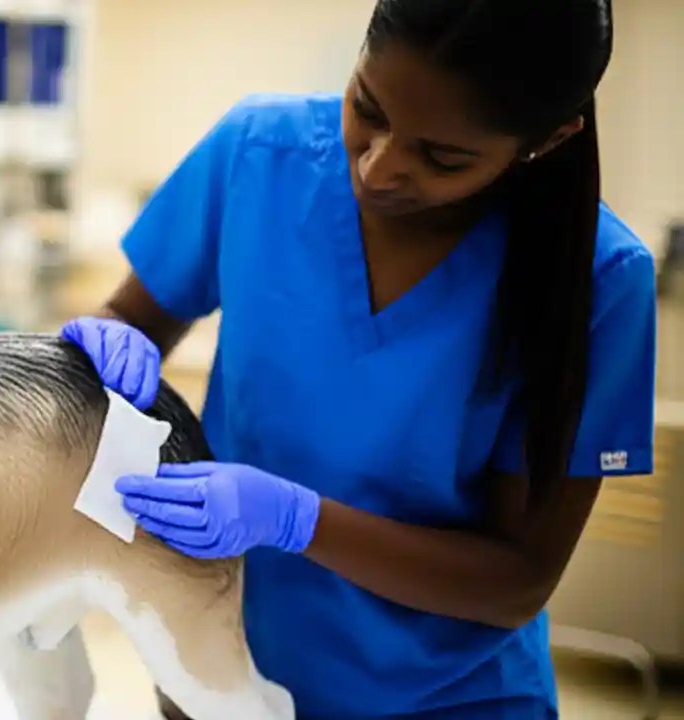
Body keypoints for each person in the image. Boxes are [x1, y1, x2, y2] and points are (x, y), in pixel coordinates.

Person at [60, 0, 656, 718]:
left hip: (447, 702)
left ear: (545, 140)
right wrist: (106, 338)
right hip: (223, 677)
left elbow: (516, 581)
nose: (379, 168)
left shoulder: (598, 280)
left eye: (442, 158)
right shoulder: (257, 153)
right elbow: (129, 318)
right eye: (366, 108)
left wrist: (295, 518)